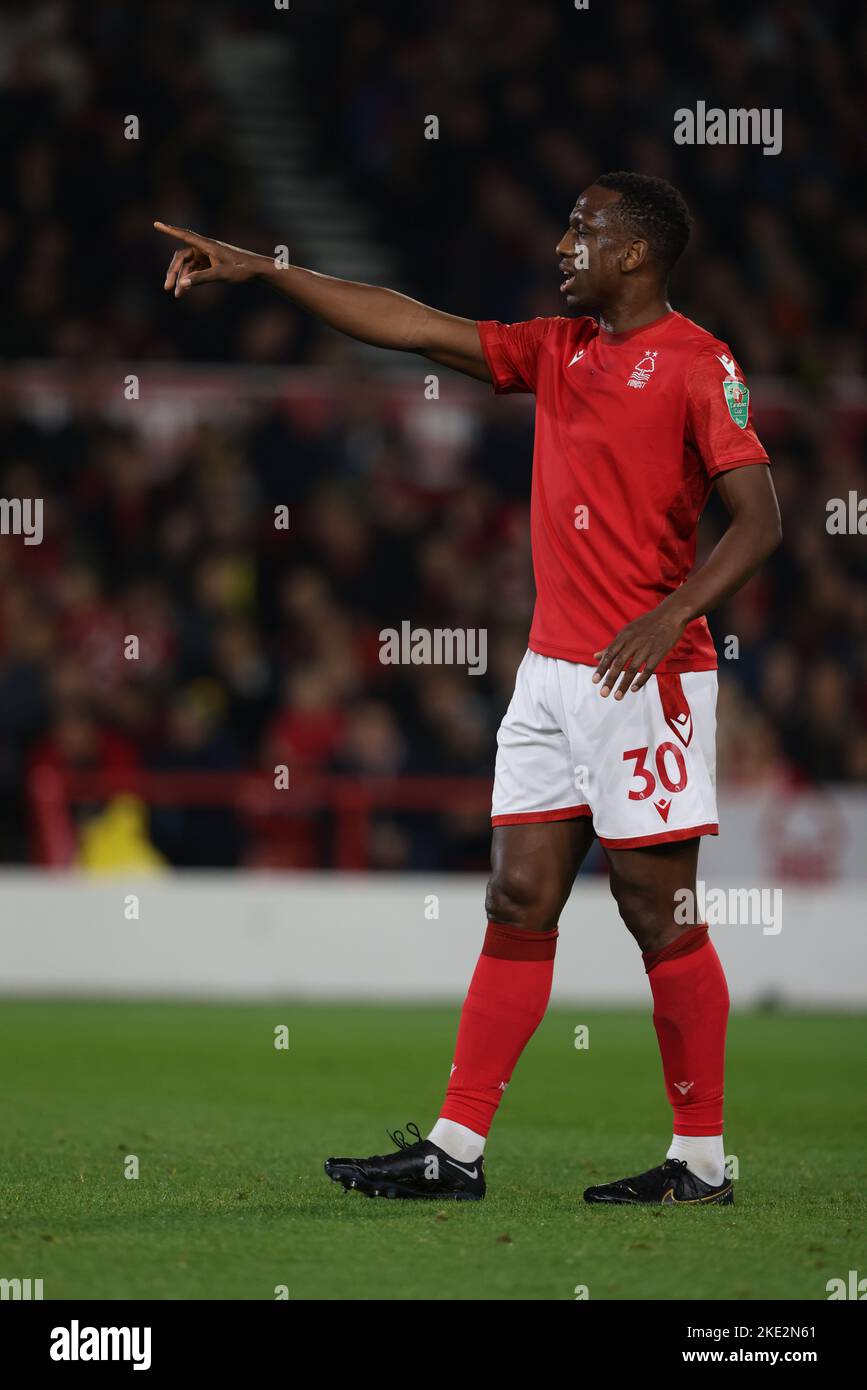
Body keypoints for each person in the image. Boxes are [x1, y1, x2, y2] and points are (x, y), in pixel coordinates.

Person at [156, 170, 781, 1205]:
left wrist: (673, 613)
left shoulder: (698, 362)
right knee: (517, 895)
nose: (563, 245)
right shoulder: (558, 348)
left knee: (658, 910)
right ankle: (455, 1148)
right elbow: (410, 325)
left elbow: (759, 521)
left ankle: (701, 1160)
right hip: (550, 675)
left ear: (636, 253)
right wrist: (267, 271)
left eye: (583, 230)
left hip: (648, 675)